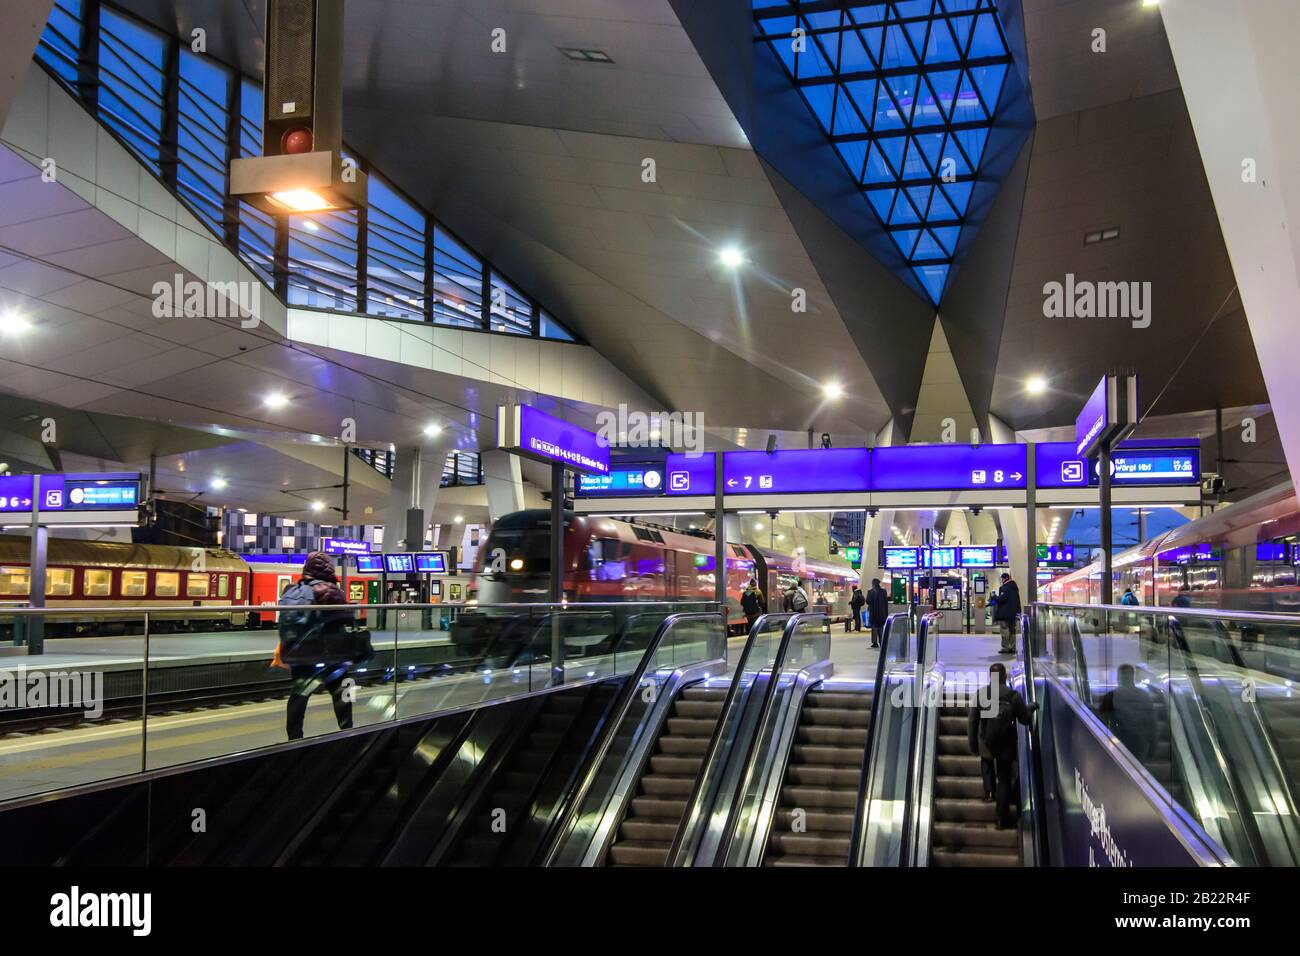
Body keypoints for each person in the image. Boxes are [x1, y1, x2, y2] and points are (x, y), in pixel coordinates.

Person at [278, 551, 357, 741]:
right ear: (328, 568)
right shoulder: (329, 590)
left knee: (299, 694)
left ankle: (294, 738)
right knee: (344, 688)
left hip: (299, 653)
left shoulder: (291, 590)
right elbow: (347, 619)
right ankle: (348, 731)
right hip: (328, 654)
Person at [968, 663, 1036, 829]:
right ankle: (1001, 818)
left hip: (986, 742)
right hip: (1006, 744)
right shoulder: (1013, 695)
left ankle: (989, 791)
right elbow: (1024, 719)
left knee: (986, 763)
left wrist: (973, 745)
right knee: (1004, 778)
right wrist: (1032, 707)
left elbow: (972, 722)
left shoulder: (981, 694)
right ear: (1005, 676)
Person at [1098, 663, 1155, 760]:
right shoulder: (1145, 696)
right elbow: (1152, 724)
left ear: (1118, 678)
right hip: (1139, 743)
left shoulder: (1110, 696)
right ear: (1133, 677)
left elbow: (1101, 722)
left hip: (1118, 742)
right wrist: (1153, 748)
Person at [990, 572, 1021, 655]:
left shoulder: (1005, 587)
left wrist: (994, 596)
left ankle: (1005, 648)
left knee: (1004, 630)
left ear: (1004, 579)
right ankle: (1013, 647)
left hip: (1005, 613)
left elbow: (1001, 599)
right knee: (1012, 630)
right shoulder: (1014, 587)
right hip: (1013, 613)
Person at [866, 578, 889, 649]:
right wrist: (886, 613)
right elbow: (886, 603)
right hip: (882, 613)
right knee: (881, 628)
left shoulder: (870, 592)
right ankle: (882, 641)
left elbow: (868, 601)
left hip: (873, 613)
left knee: (874, 628)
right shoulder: (883, 591)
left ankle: (875, 642)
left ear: (873, 584)